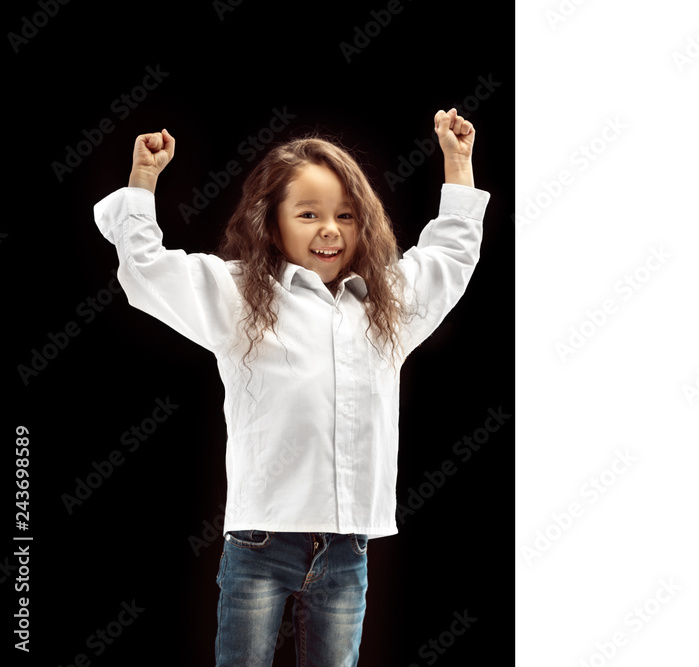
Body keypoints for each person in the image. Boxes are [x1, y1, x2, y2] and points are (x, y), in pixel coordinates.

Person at [93, 109, 490, 666]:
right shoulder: (239, 297)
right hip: (259, 544)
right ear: (271, 222)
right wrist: (144, 179)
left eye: (346, 215)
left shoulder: (388, 307)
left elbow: (450, 256)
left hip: (349, 549)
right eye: (308, 214)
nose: (330, 229)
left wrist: (458, 162)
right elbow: (145, 270)